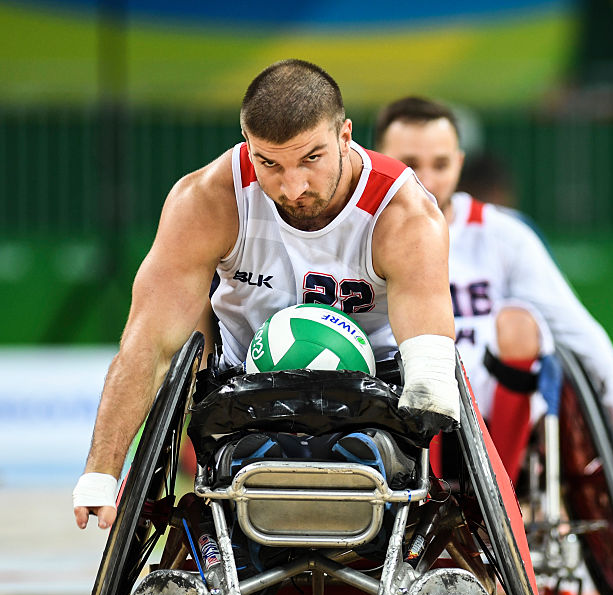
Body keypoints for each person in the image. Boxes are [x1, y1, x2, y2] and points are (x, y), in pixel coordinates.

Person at [73, 60, 459, 530]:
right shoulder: (209, 198)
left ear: (345, 137)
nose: (292, 185)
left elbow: (430, 361)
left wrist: (432, 396)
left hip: (374, 389)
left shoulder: (402, 211)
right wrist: (100, 472)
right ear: (247, 146)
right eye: (269, 163)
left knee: (449, 406)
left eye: (311, 159)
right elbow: (149, 344)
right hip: (243, 387)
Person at [374, 97, 613, 485]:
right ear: (380, 161)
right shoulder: (362, 233)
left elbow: (575, 328)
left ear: (459, 163)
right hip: (401, 403)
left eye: (440, 164)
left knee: (519, 323)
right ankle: (427, 492)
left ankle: (501, 493)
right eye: (410, 164)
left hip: (496, 412)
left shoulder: (503, 234)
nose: (428, 180)